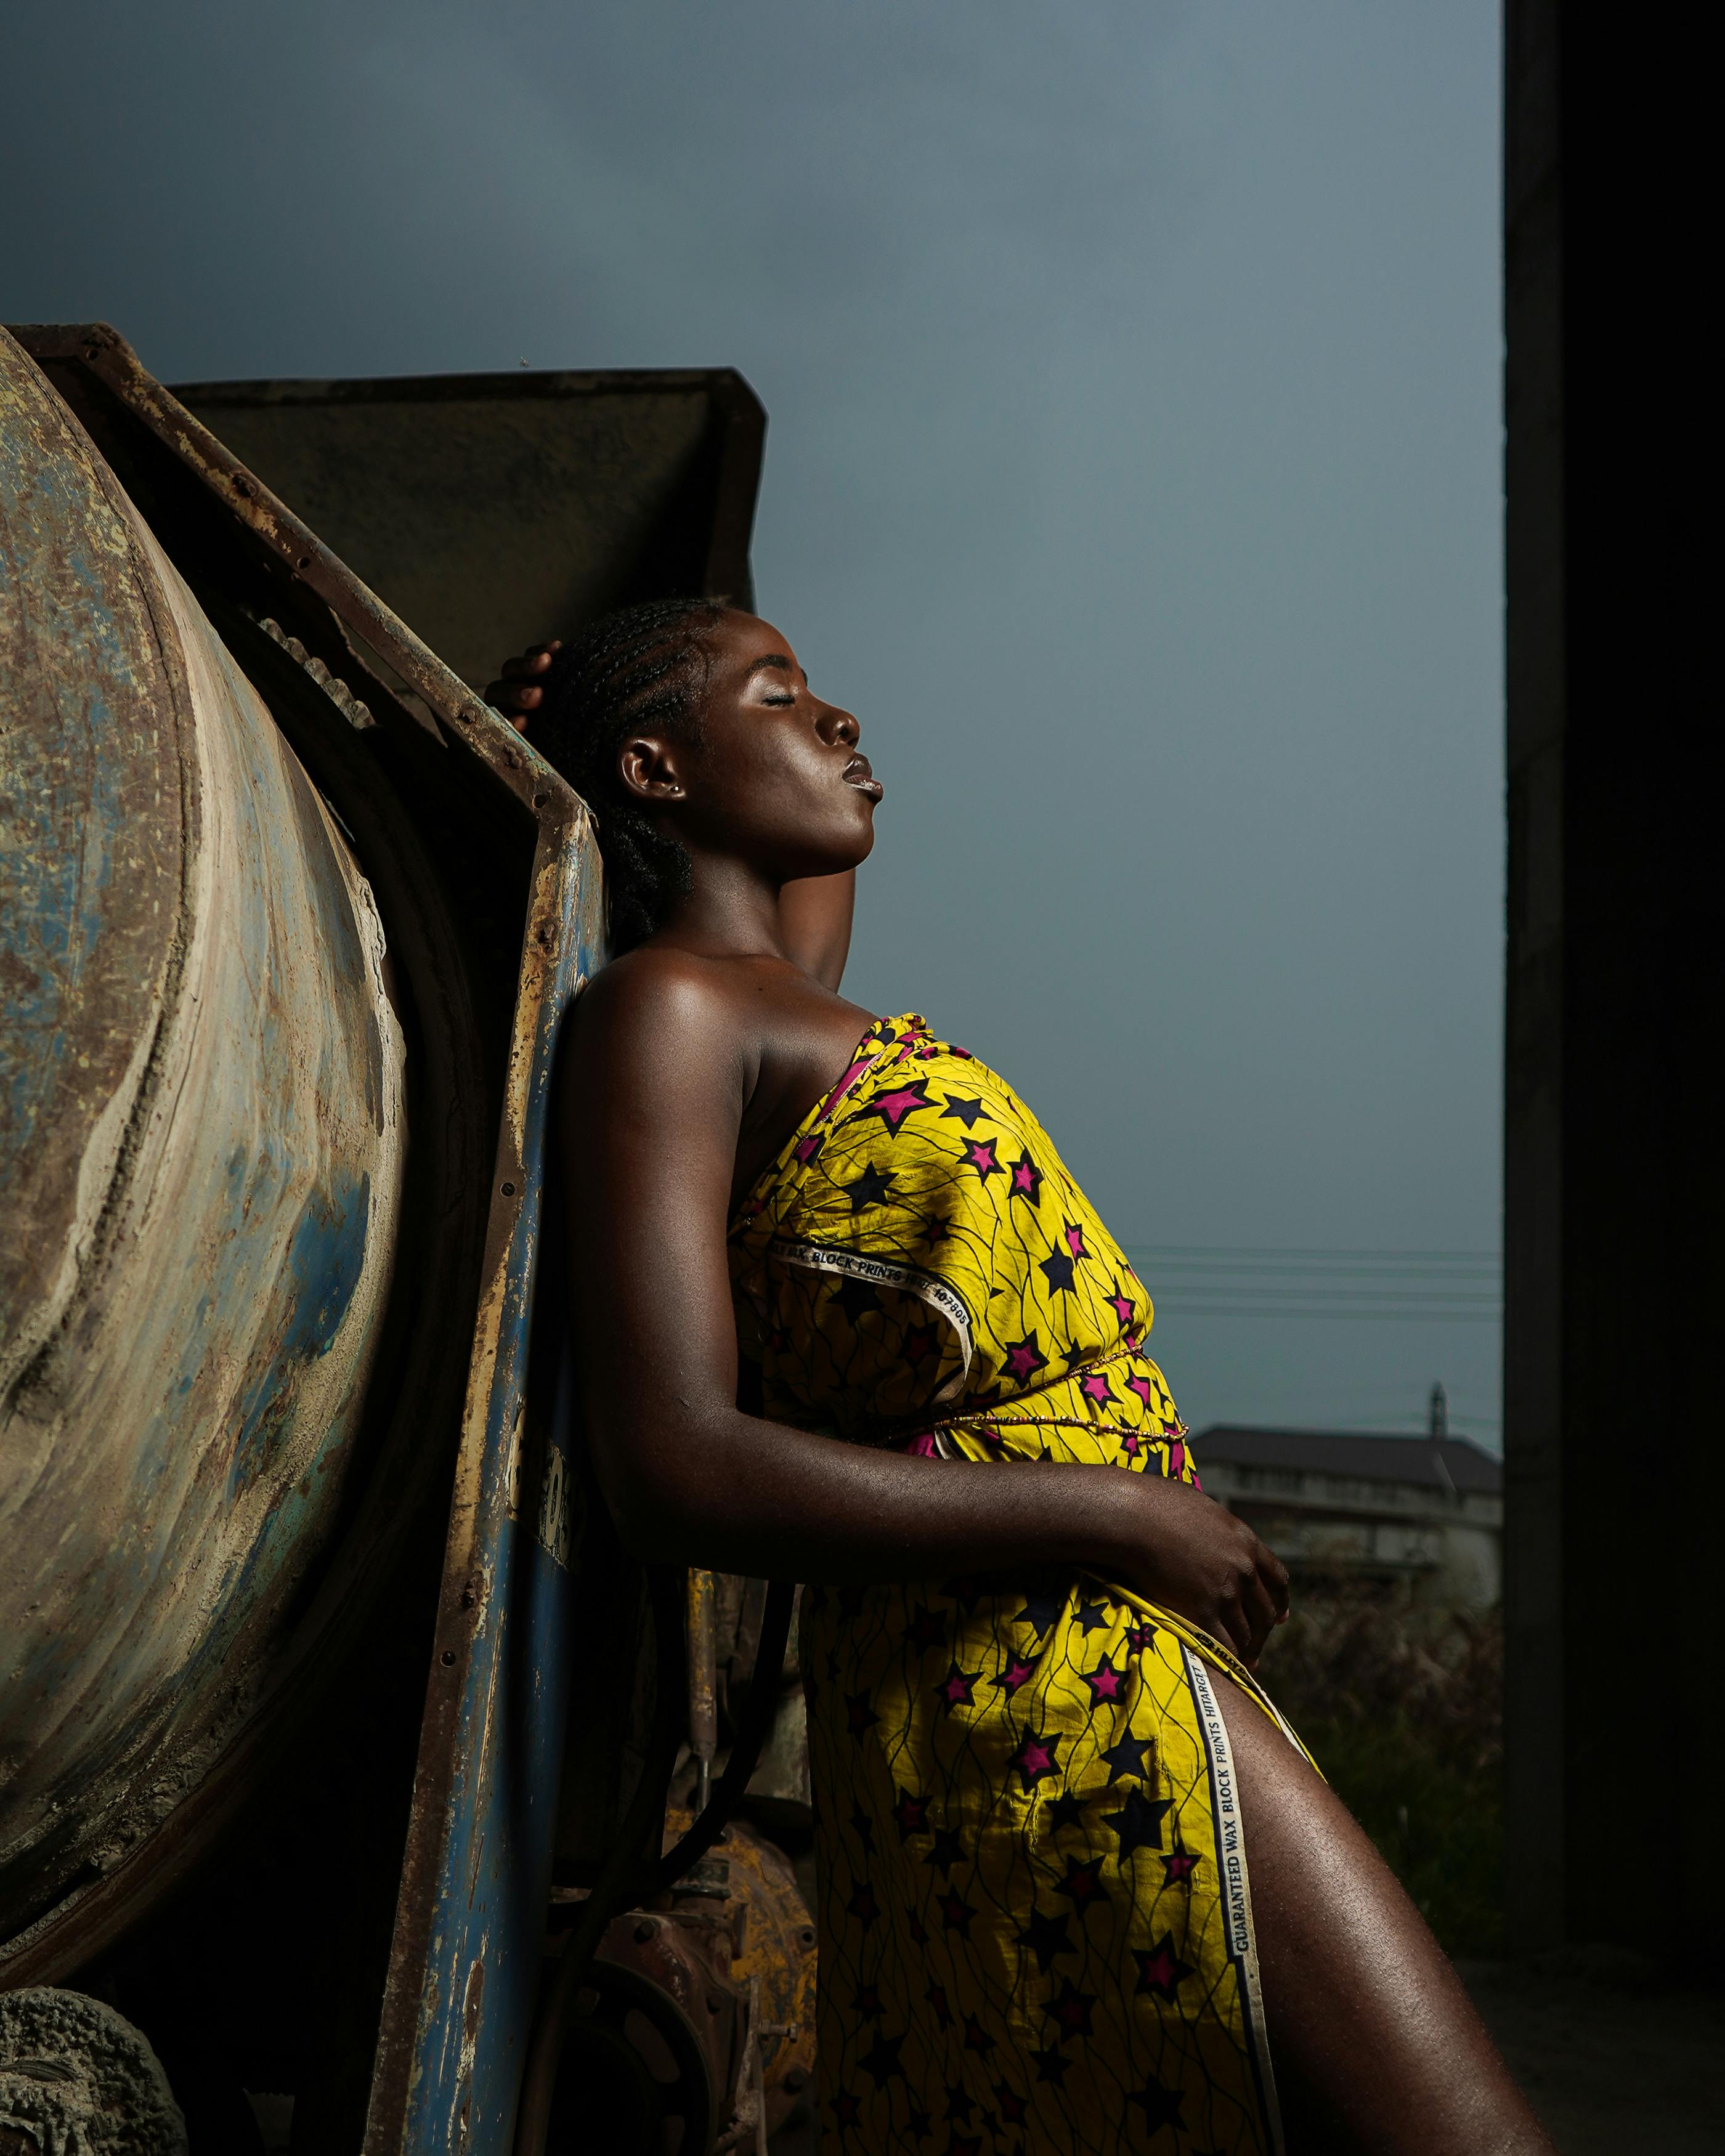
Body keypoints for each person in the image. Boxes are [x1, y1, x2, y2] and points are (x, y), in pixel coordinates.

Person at [490, 601, 1551, 2156]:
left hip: (1076, 1643)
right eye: (780, 694)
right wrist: (1114, 1514)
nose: (840, 719)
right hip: (1027, 1669)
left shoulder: (784, 990)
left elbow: (820, 841)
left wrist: (668, 714)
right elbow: (673, 1461)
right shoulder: (668, 1012)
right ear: (655, 769)